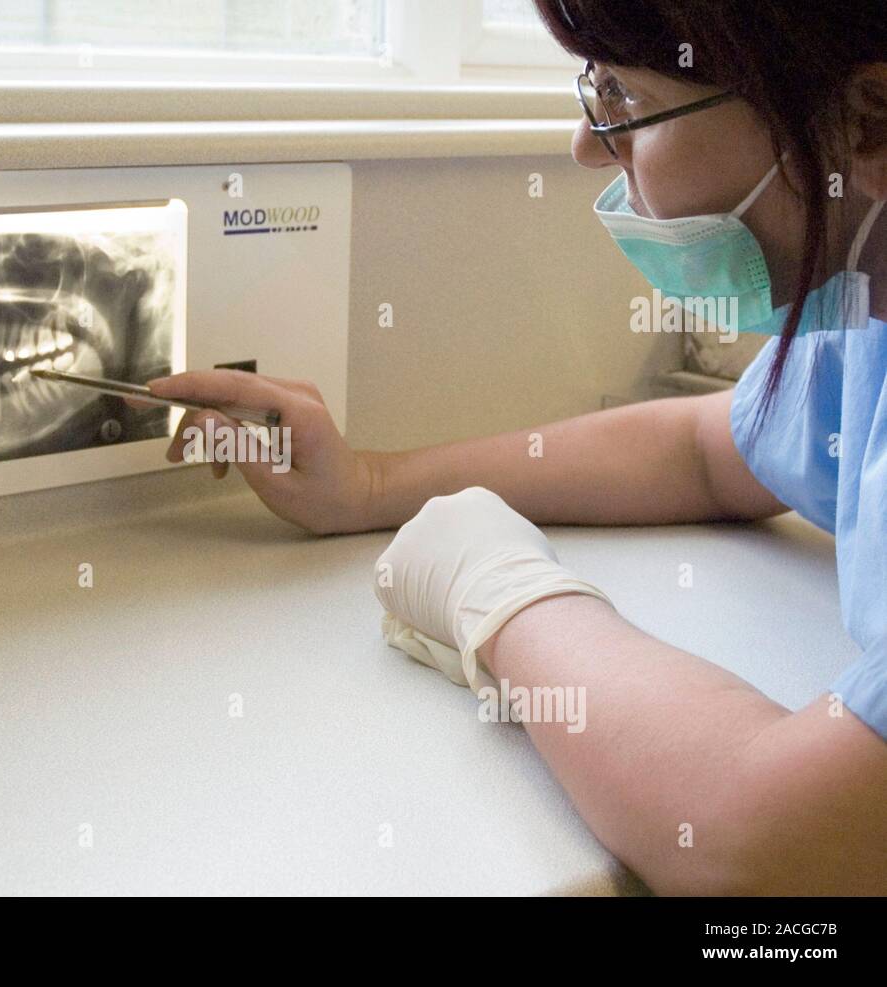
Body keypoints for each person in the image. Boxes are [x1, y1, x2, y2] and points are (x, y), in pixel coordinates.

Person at [137, 0, 887, 895]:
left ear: (866, 122)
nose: (585, 142)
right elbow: (704, 446)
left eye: (624, 96)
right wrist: (371, 483)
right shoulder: (861, 334)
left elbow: (770, 850)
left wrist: (505, 598)